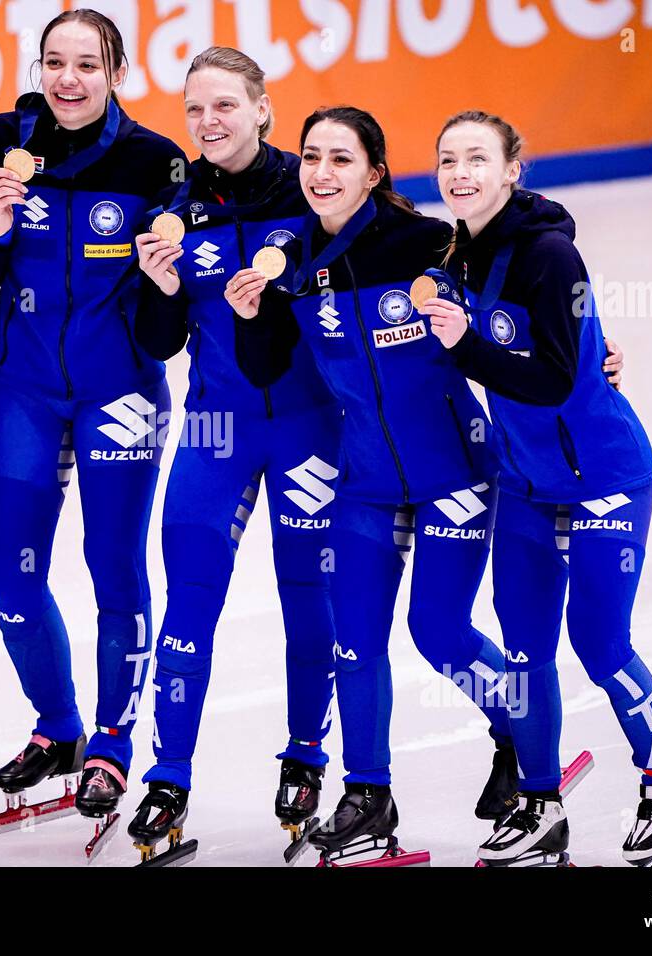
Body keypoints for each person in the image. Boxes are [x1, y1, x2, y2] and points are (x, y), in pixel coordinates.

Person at [228, 107, 518, 864]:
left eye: (341, 159)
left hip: (454, 474)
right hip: (364, 484)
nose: (321, 173)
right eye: (311, 158)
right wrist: (253, 316)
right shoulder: (290, 263)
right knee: (353, 641)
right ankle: (368, 794)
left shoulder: (426, 244)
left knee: (440, 633)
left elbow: (522, 288)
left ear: (375, 173)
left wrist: (592, 354)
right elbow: (266, 368)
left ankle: (522, 736)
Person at [426, 110, 652, 866]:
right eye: (449, 159)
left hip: (603, 474)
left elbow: (549, 379)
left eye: (478, 158)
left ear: (514, 167)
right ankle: (540, 801)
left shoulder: (551, 255)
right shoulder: (461, 251)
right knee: (523, 648)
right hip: (525, 481)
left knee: (601, 644)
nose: (460, 173)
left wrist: (465, 343)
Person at [0, 9, 187, 830]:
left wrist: (163, 283)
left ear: (115, 71)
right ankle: (56, 725)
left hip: (119, 393)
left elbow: (171, 329)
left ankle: (111, 738)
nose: (68, 79)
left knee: (113, 566)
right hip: (23, 389)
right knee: (9, 575)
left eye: (86, 65)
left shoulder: (155, 161)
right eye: (54, 62)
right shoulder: (0, 141)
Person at [123, 47, 339, 859]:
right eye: (194, 111)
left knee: (306, 594)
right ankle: (168, 778)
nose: (209, 123)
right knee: (190, 598)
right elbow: (158, 339)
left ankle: (306, 761)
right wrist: (163, 286)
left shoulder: (311, 186)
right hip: (215, 427)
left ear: (261, 108)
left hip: (312, 429)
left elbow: (409, 247)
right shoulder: (177, 201)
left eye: (224, 106)